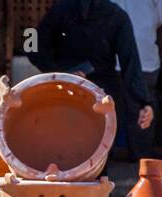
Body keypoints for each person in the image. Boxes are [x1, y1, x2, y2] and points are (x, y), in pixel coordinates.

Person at [30, 0, 154, 149]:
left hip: (65, 94)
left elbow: (32, 47)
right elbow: (130, 64)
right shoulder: (116, 15)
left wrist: (61, 73)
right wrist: (143, 102)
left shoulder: (60, 10)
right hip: (100, 98)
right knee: (98, 158)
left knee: (62, 154)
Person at [113, 0, 162, 154]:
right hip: (146, 57)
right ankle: (141, 152)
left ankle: (115, 150)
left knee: (115, 105)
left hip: (117, 58)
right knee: (145, 104)